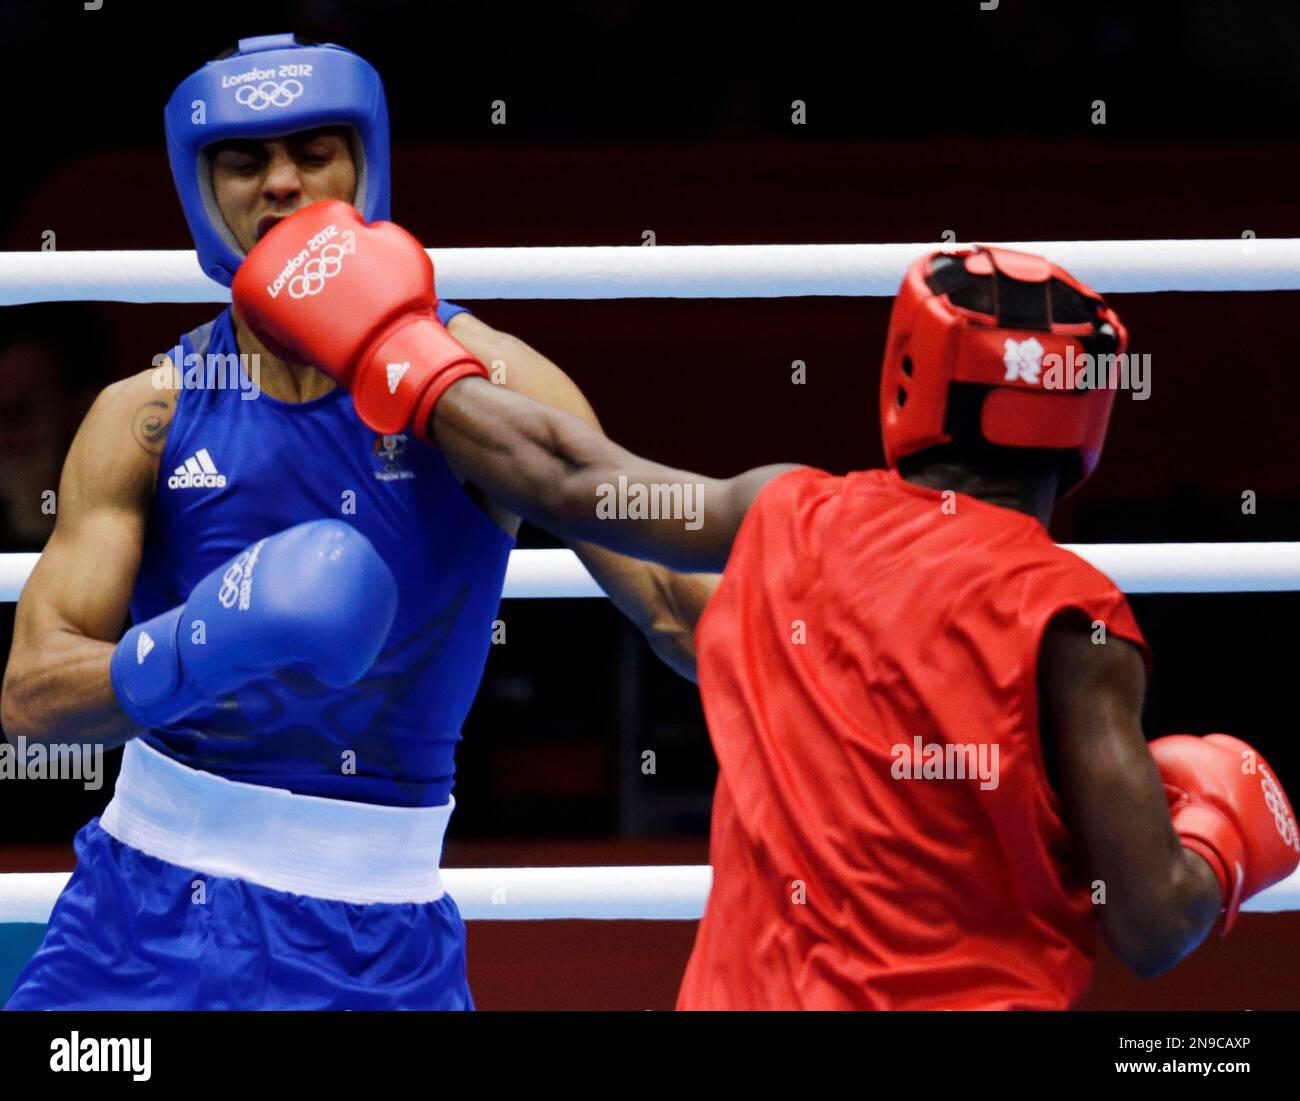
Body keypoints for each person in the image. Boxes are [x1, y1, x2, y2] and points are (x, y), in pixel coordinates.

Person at [233, 206, 1300, 1009]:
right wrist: (1214, 840)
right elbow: (1156, 923)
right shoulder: (1080, 620)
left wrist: (395, 351)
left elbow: (561, 474)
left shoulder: (783, 515)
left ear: (910, 381)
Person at [0, 34, 710, 1010]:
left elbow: (679, 611)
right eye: (245, 161)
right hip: (141, 910)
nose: (282, 183)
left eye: (314, 153)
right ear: (202, 194)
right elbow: (33, 696)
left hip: (378, 935)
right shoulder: (147, 414)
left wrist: (866, 646)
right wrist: (203, 642)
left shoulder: (486, 385)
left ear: (365, 165)